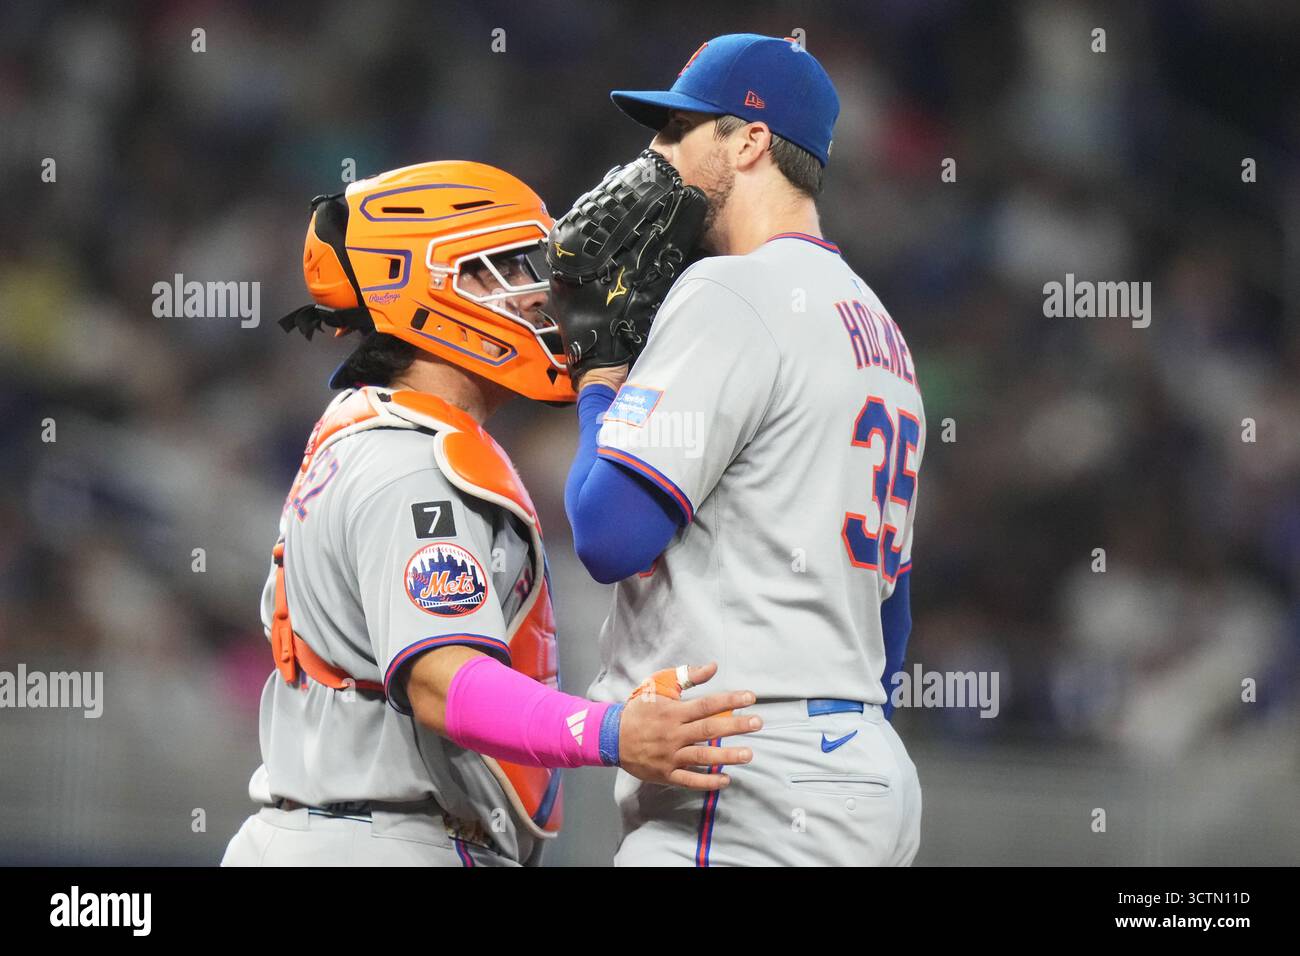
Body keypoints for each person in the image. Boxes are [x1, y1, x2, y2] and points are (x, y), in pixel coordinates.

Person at [221, 160, 761, 867]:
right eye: (506, 265)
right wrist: (613, 733)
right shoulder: (412, 466)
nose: (542, 295)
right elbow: (444, 683)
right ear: (430, 286)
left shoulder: (386, 434)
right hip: (374, 840)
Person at [556, 34, 926, 866]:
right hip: (860, 771)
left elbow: (608, 533)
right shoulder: (880, 329)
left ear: (749, 141)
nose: (654, 157)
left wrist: (600, 372)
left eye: (676, 132)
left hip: (747, 774)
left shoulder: (734, 289)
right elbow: (890, 611)